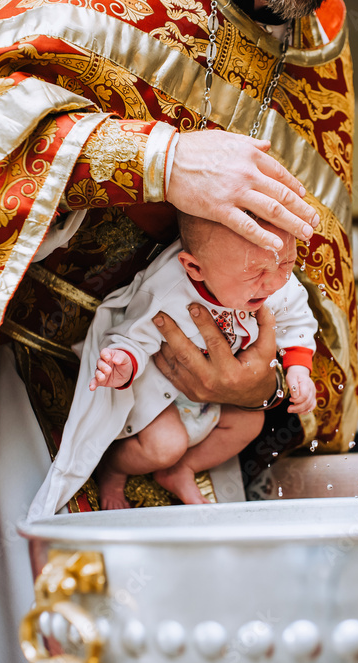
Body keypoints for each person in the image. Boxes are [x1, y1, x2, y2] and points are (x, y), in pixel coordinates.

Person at [0, 0, 356, 663]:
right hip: (38, 417)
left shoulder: (322, 47)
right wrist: (157, 159)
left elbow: (323, 290)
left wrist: (269, 384)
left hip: (215, 459)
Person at [42, 212, 317, 511]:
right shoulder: (167, 292)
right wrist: (123, 362)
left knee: (250, 422)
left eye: (287, 265)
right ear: (195, 268)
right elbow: (135, 334)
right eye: (254, 274)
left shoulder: (271, 276)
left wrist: (298, 368)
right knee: (164, 447)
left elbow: (296, 319)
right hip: (163, 394)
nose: (275, 283)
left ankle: (180, 469)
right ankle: (114, 468)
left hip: (219, 397)